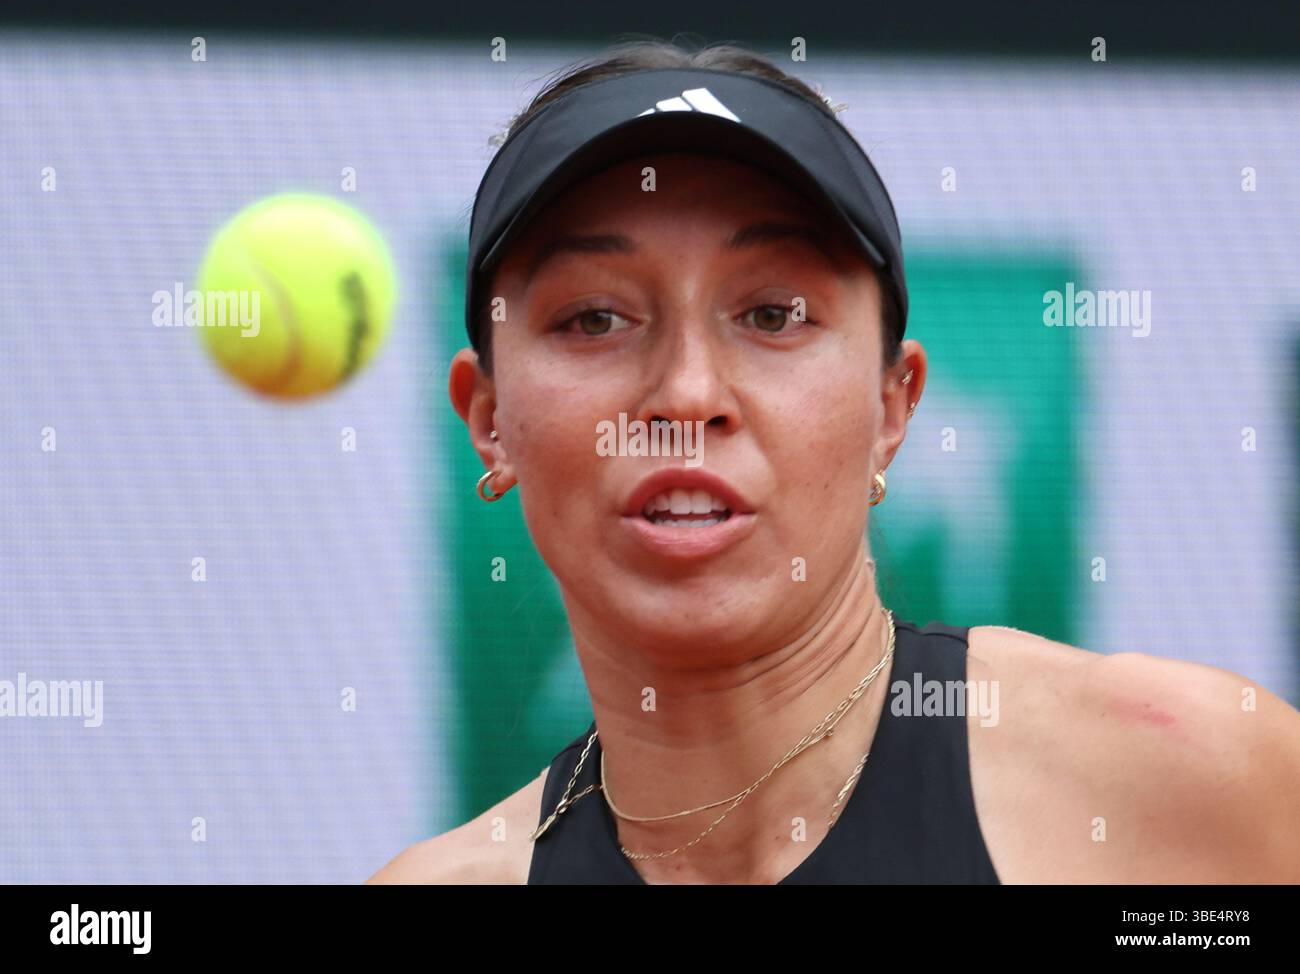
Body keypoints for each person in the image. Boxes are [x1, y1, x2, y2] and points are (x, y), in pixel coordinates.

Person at [369, 39, 1300, 885]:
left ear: (892, 407)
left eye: (774, 315)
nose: (688, 396)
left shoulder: (1190, 788)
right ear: (489, 420)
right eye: (595, 319)